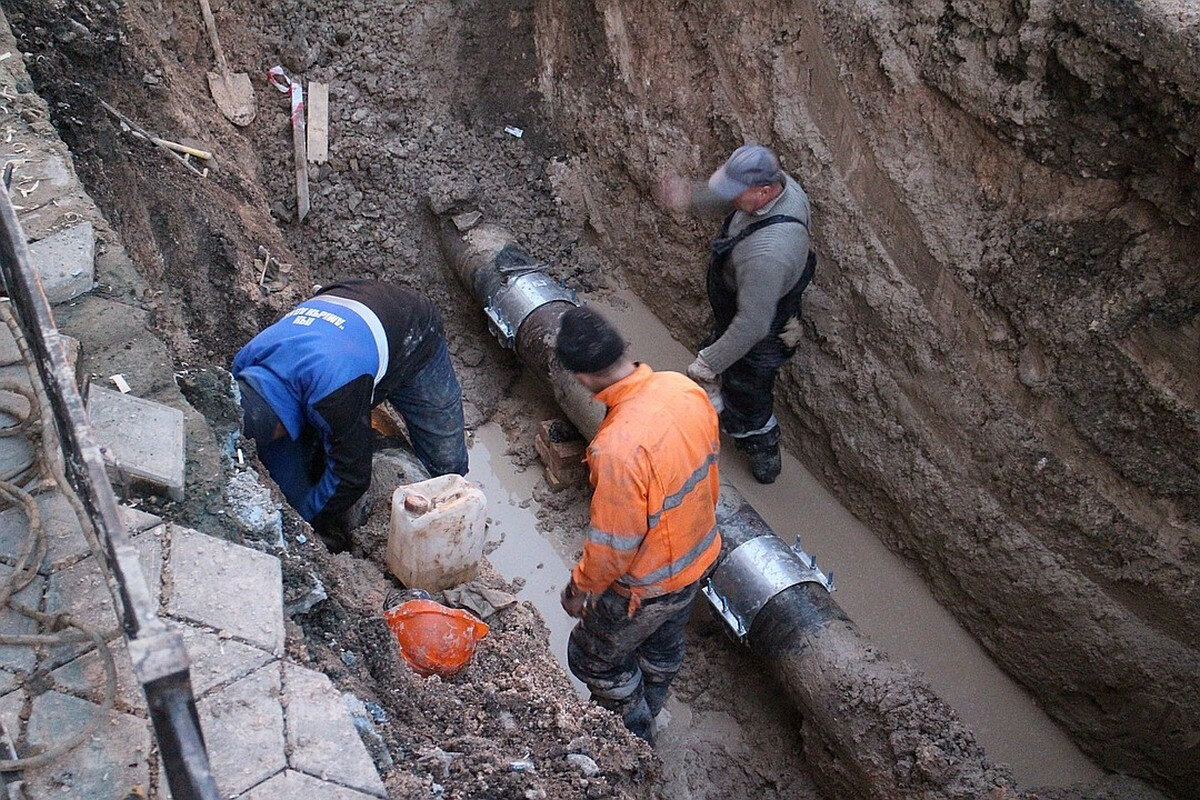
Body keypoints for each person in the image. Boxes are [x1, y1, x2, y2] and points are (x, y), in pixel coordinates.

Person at [555, 306, 721, 745]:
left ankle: (634, 734)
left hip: (647, 586)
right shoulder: (682, 388)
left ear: (582, 377)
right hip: (698, 556)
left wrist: (579, 588)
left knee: (591, 659)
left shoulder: (618, 450)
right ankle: (654, 697)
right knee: (664, 640)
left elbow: (613, 547)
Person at [232, 279, 468, 552]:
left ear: (279, 427)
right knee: (298, 457)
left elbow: (352, 475)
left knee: (445, 464)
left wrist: (306, 523)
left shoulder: (333, 395)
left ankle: (455, 532)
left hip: (412, 332)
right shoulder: (243, 365)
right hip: (344, 318)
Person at [659, 144, 816, 484]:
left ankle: (761, 445)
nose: (730, 196)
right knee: (728, 354)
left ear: (764, 192)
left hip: (762, 326)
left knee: (748, 388)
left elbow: (753, 325)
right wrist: (691, 199)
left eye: (736, 191)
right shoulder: (781, 187)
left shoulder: (768, 254)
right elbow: (730, 197)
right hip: (756, 297)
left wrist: (708, 363)